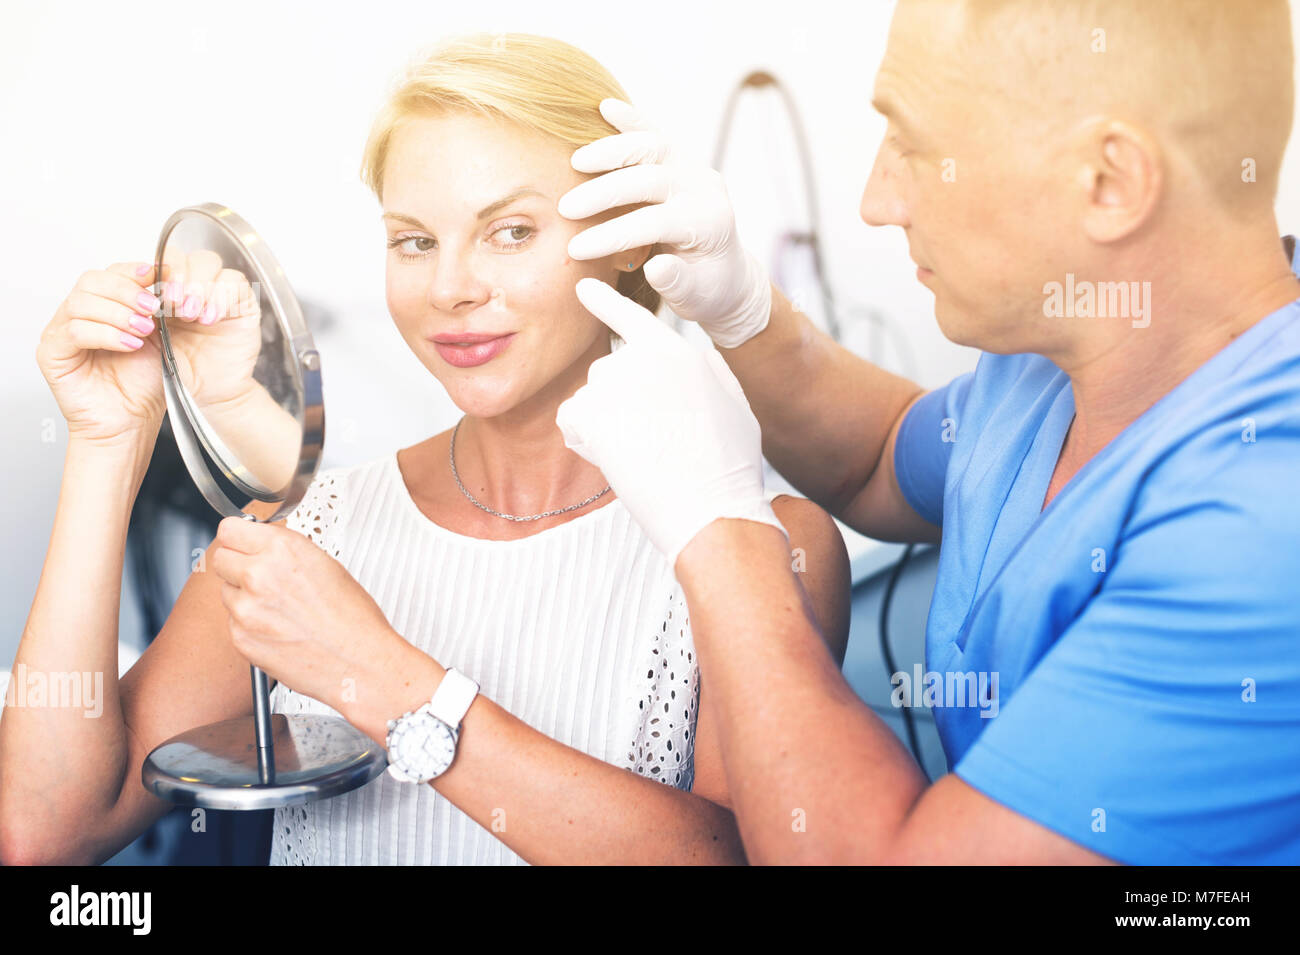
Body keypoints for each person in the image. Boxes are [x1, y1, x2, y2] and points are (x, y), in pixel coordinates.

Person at [0, 32, 851, 866]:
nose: (450, 289)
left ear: (627, 235)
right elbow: (51, 830)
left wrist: (386, 677)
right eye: (415, 240)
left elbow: (737, 855)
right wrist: (106, 440)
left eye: (511, 231)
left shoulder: (770, 547)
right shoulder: (304, 538)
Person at [553, 0, 1300, 863]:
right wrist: (743, 312)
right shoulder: (1052, 359)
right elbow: (880, 454)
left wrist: (718, 536)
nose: (876, 201)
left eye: (913, 146)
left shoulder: (1263, 515)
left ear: (1110, 183)